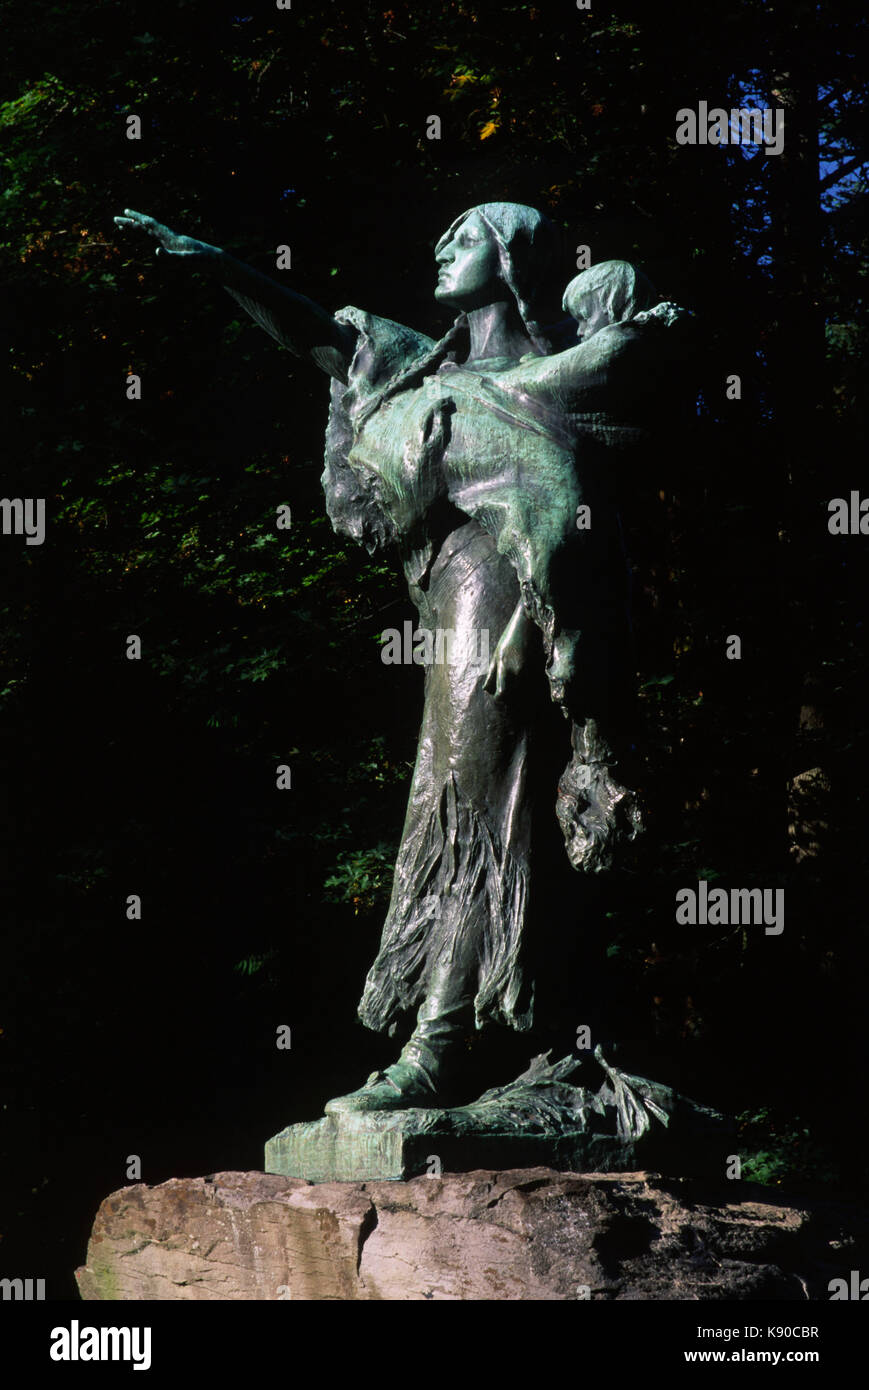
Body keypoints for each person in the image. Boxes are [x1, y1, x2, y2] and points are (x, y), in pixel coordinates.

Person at [115, 203, 684, 1113]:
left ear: (506, 258)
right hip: (454, 600)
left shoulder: (545, 379)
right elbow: (319, 337)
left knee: (476, 803)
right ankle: (520, 1032)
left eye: (461, 239)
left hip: (509, 607)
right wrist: (219, 261)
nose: (438, 247)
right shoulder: (423, 372)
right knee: (466, 798)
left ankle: (444, 1047)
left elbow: (582, 519)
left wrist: (530, 631)